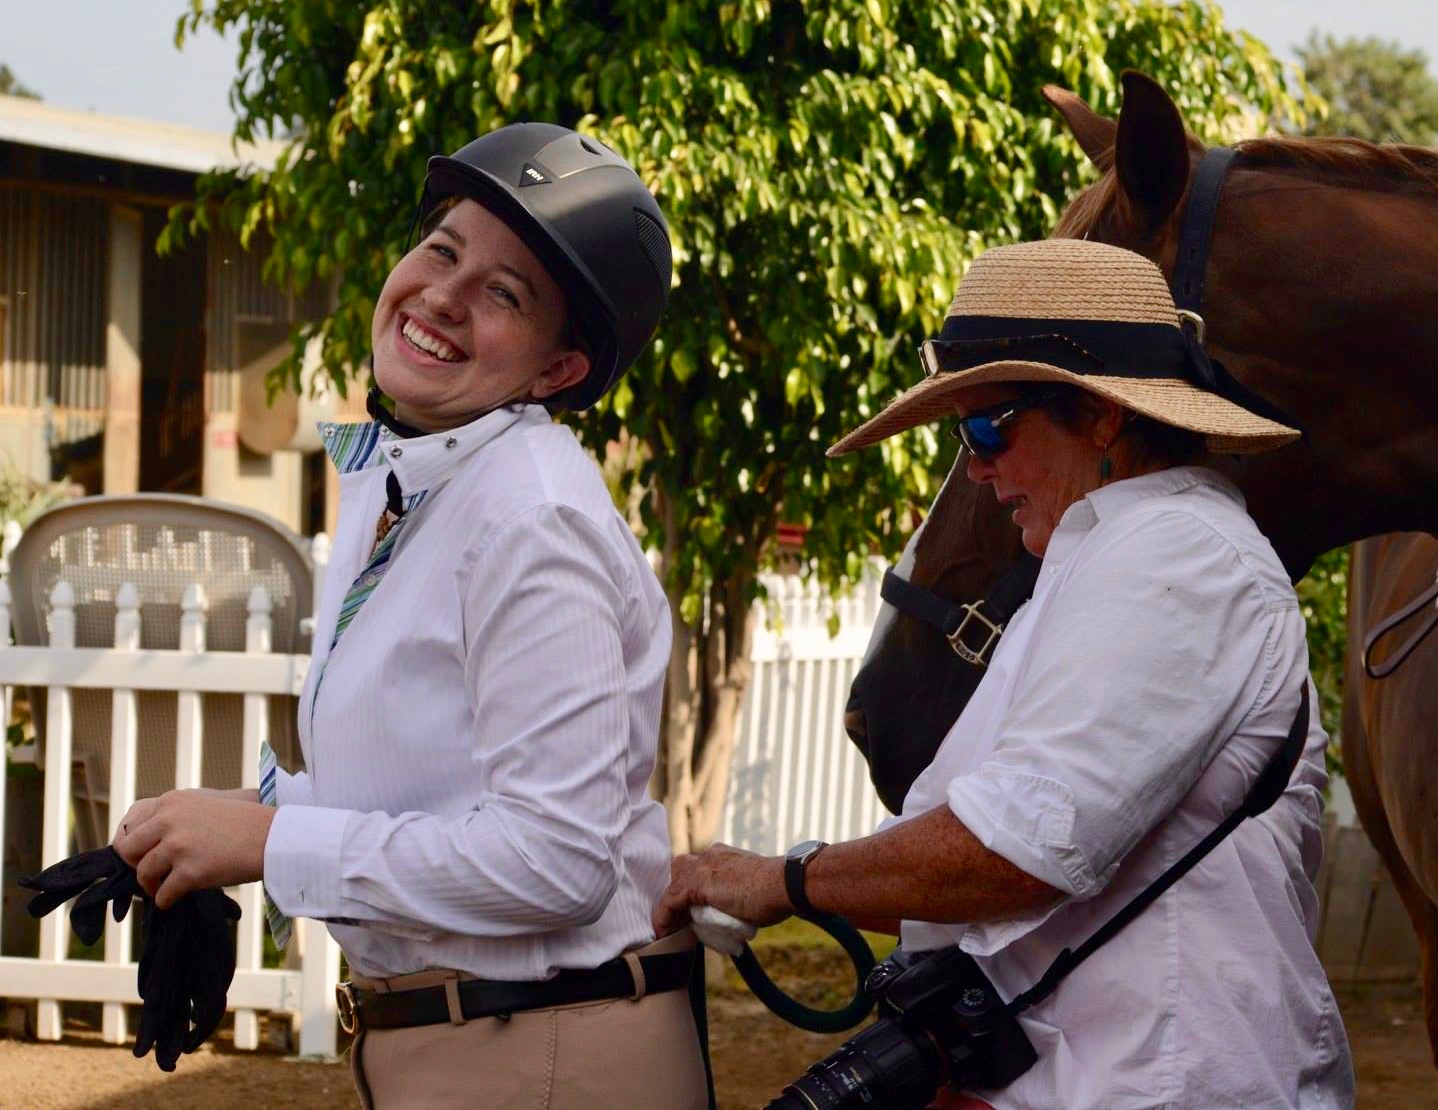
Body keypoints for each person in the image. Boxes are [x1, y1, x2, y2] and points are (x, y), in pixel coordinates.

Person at [655, 238, 1355, 1108]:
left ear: (1103, 415)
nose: (976, 463)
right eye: (964, 434)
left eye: (990, 425)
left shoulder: (1179, 551)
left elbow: (1021, 845)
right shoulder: (1099, 559)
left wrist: (783, 878)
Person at [112, 123, 702, 1109]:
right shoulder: (415, 480)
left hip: (547, 1058)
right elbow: (432, 795)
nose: (443, 294)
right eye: (444, 249)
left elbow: (558, 862)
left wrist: (272, 847)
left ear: (558, 369)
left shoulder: (532, 514)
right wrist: (211, 835)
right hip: (471, 1043)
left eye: (503, 292)